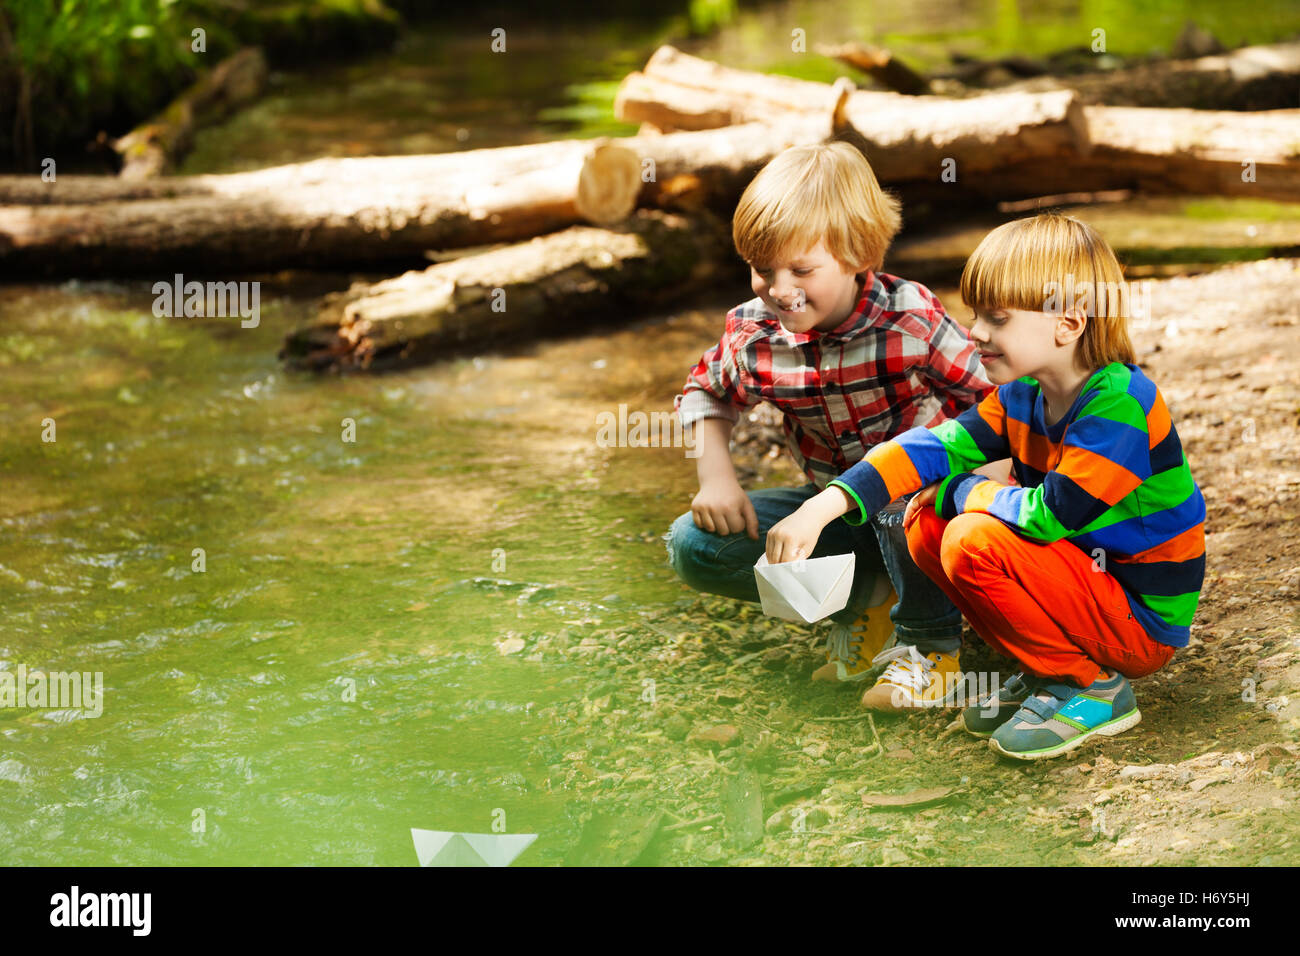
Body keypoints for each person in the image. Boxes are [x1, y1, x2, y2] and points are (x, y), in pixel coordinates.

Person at [764, 212, 1205, 759]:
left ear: (1067, 324)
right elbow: (929, 448)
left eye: (996, 318)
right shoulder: (1022, 395)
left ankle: (1091, 686)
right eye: (977, 315)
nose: (975, 332)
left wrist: (963, 491)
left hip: (1137, 622)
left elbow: (1051, 515)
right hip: (1085, 590)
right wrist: (823, 508)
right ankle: (1047, 668)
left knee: (969, 535)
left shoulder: (1119, 404)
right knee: (924, 523)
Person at [665, 141, 996, 706]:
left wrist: (991, 491)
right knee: (693, 544)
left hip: (929, 509)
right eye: (762, 270)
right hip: (834, 508)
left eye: (801, 269)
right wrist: (716, 477)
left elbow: (993, 403)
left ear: (857, 254)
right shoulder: (754, 332)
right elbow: (705, 393)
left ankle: (931, 648)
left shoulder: (909, 318)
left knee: (898, 494)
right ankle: (869, 598)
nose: (780, 289)